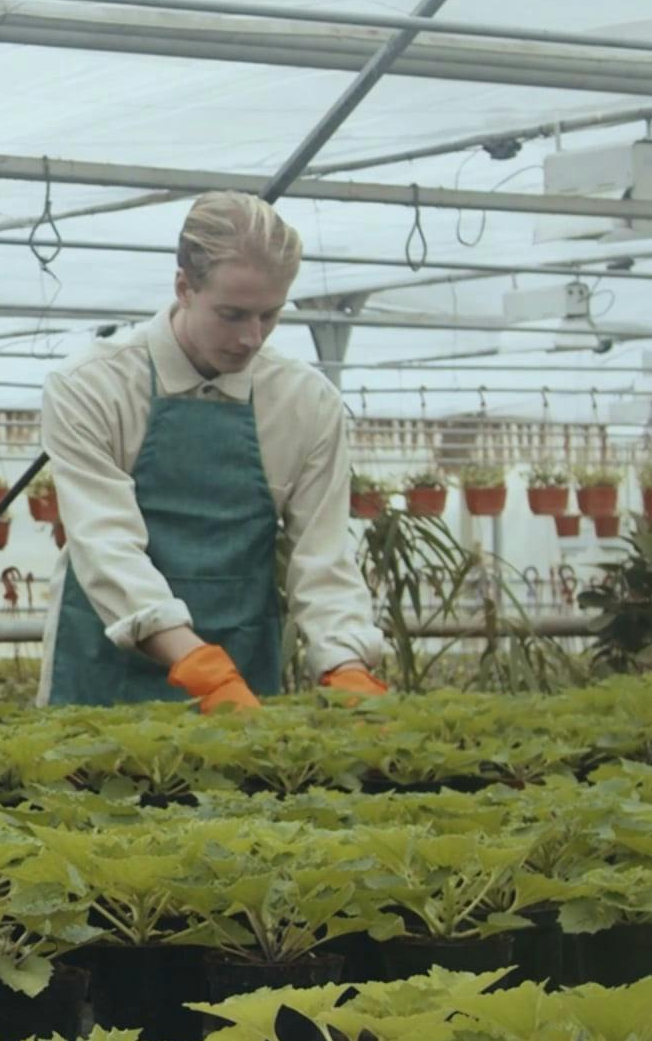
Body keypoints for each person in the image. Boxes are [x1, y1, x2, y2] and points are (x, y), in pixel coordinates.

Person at [37, 190, 389, 713]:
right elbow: (106, 545)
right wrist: (196, 663)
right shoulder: (92, 386)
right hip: (102, 674)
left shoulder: (306, 403)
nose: (251, 338)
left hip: (240, 673)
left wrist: (346, 665)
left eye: (269, 316)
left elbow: (323, 557)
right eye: (232, 314)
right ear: (184, 286)